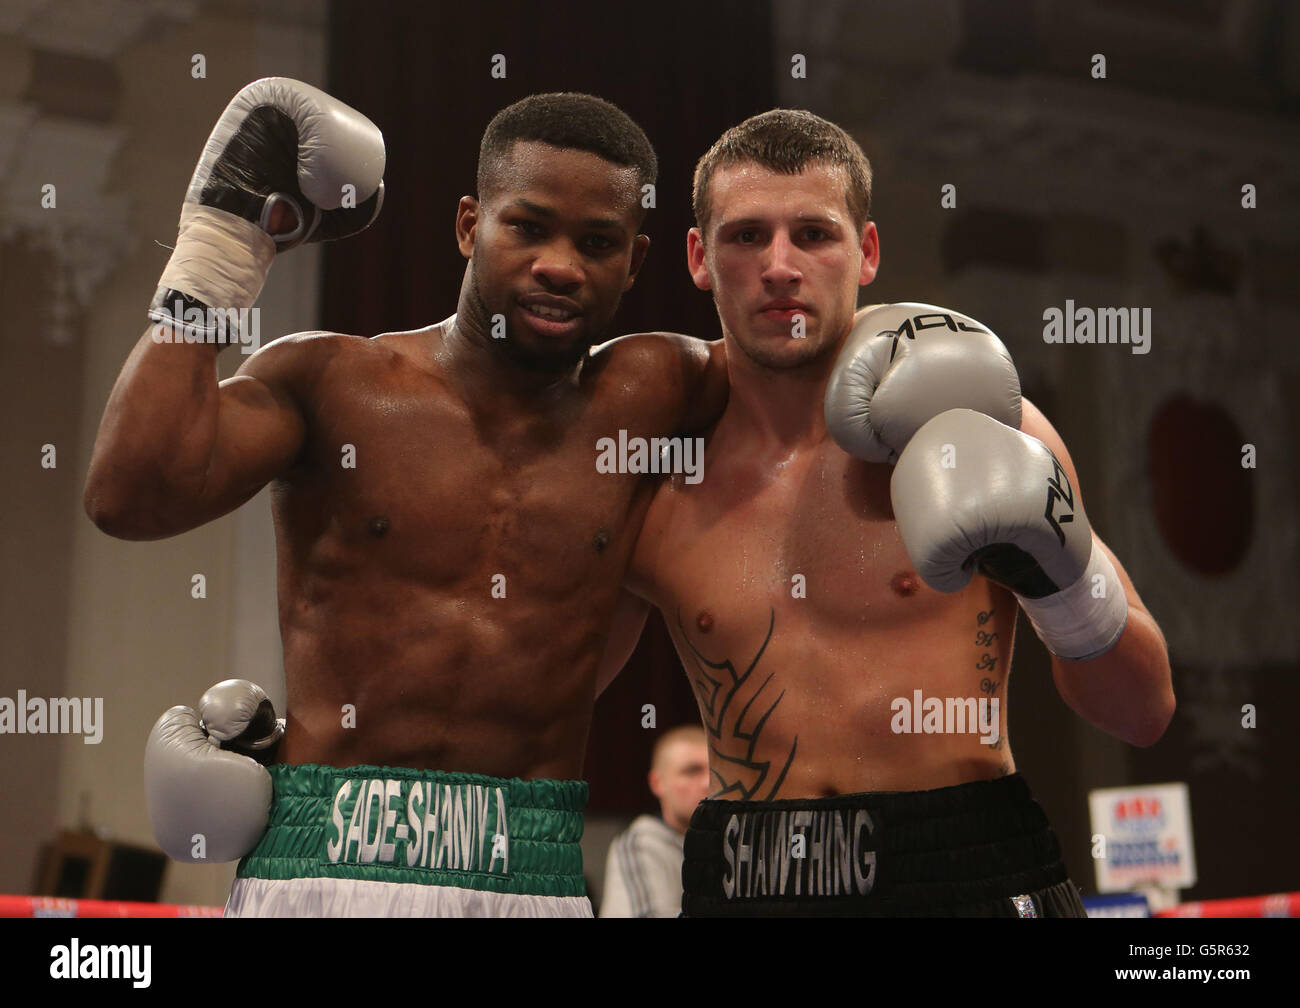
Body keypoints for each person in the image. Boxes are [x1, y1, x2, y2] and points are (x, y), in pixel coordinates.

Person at [83, 79, 725, 917]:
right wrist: (222, 244)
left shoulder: (659, 390)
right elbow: (130, 494)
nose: (559, 266)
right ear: (470, 226)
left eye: (598, 242)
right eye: (527, 227)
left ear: (635, 262)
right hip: (324, 857)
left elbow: (819, 356)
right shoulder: (332, 381)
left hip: (529, 868)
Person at [615, 110, 1175, 917]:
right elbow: (543, 706)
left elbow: (1143, 713)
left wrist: (1056, 571)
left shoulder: (980, 427)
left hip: (970, 862)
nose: (780, 266)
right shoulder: (653, 464)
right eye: (746, 236)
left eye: (814, 233)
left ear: (867, 251)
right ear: (700, 258)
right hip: (749, 875)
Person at [600, 725, 709, 917]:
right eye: (692, 771)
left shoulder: (723, 846)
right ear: (657, 783)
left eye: (714, 772)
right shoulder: (640, 842)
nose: (707, 782)